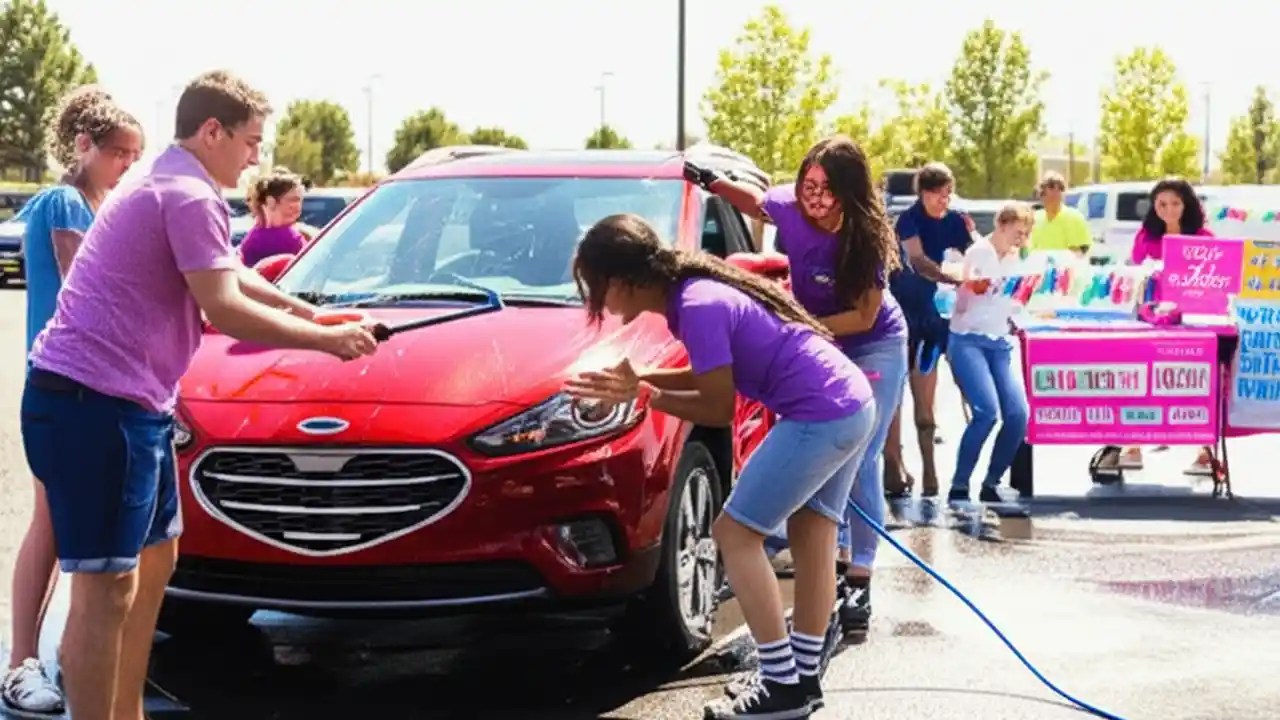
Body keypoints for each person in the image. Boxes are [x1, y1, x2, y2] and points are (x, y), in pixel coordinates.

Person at [19, 69, 379, 720]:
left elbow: (232, 274)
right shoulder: (184, 192)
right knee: (104, 590)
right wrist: (327, 344)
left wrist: (314, 313)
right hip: (91, 404)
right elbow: (224, 307)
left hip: (136, 408)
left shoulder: (169, 182)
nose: (255, 157)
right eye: (250, 141)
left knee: (154, 564)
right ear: (211, 131)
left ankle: (126, 712)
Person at [565, 214, 875, 719]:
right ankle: (802, 677)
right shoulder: (691, 295)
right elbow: (714, 371)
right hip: (849, 401)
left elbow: (717, 407)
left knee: (734, 534)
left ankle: (781, 685)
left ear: (621, 280)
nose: (595, 300)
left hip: (821, 413)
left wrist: (645, 393)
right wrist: (642, 374)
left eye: (595, 286)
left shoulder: (696, 305)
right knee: (813, 530)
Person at [689, 136, 906, 639]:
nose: (815, 198)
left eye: (827, 190)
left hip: (873, 344)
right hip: (820, 339)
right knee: (821, 452)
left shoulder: (865, 236)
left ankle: (860, 575)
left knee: (861, 456)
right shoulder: (789, 206)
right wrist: (709, 179)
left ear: (849, 193)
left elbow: (865, 315)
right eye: (809, 185)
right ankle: (825, 559)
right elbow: (754, 201)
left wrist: (802, 325)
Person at [2, 85, 144, 719]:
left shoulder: (95, 203)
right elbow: (86, 276)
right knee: (51, 523)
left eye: (136, 155)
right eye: (120, 153)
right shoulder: (64, 200)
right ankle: (20, 664)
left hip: (81, 384)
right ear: (84, 145)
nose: (128, 166)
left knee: (62, 528)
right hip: (59, 383)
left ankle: (48, 653)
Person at [884, 162, 976, 516]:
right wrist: (951, 279)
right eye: (939, 194)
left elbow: (976, 256)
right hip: (900, 312)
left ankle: (931, 473)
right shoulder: (908, 220)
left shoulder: (953, 219)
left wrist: (974, 240)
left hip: (931, 316)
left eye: (948, 193)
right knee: (893, 394)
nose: (944, 200)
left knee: (926, 401)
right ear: (924, 193)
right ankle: (893, 465)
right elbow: (918, 261)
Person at [1117, 177, 1216, 475]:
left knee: (1197, 382)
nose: (1169, 209)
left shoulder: (1203, 236)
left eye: (1175, 203)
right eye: (1162, 204)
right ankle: (1132, 445)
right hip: (1149, 320)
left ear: (1187, 204)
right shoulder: (1146, 235)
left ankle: (1205, 452)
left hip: (1192, 322)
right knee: (1141, 379)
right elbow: (1133, 271)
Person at [946, 203, 1033, 506]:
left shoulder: (1017, 259)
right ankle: (959, 483)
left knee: (1018, 414)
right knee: (986, 411)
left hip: (999, 340)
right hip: (969, 338)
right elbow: (970, 292)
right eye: (1017, 231)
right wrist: (972, 285)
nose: (1021, 238)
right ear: (1002, 224)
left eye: (1025, 233)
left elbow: (1014, 299)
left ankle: (992, 481)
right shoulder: (980, 251)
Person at [237, 166, 308, 266]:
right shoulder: (291, 239)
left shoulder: (251, 239)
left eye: (300, 200)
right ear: (271, 201)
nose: (298, 206)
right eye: (293, 200)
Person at [1028, 171, 1092, 254]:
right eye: (1051, 187)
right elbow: (1028, 251)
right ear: (1042, 191)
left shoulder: (1074, 217)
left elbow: (1080, 251)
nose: (1056, 191)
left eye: (1061, 188)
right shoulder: (1034, 219)